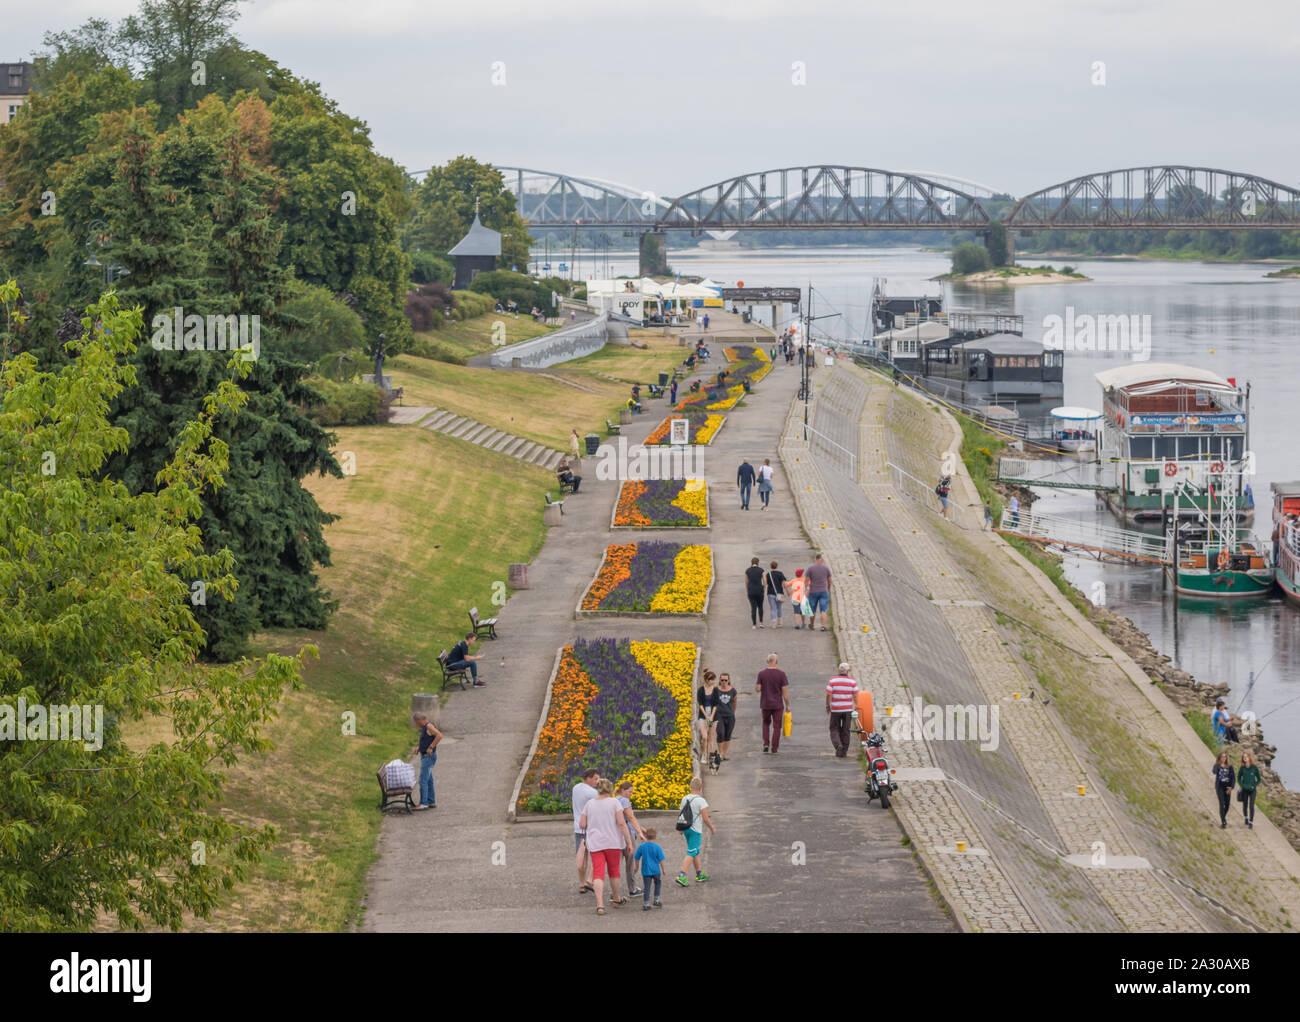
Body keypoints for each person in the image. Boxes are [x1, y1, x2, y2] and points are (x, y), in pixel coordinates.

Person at [579, 779, 632, 914]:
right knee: (614, 872)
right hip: (613, 842)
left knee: (598, 874)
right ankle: (616, 898)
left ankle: (600, 905)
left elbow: (582, 824)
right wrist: (629, 842)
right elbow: (621, 823)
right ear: (611, 789)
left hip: (596, 843)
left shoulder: (590, 804)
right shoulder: (615, 802)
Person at [674, 776, 715, 886]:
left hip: (686, 828)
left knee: (695, 851)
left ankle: (699, 873)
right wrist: (712, 828)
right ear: (701, 788)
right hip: (695, 830)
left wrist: (680, 829)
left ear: (690, 787)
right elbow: (705, 818)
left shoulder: (685, 798)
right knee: (691, 852)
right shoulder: (701, 801)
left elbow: (681, 813)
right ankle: (682, 875)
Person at [755, 653, 790, 754]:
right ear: (777, 662)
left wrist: (762, 686)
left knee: (765, 723)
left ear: (767, 661)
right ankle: (774, 748)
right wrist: (787, 705)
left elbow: (757, 689)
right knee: (777, 726)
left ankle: (766, 744)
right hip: (777, 705)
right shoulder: (781, 674)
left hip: (765, 704)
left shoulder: (761, 674)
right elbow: (785, 692)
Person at [615, 780, 647, 894]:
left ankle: (615, 891)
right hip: (627, 834)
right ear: (622, 790)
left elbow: (627, 819)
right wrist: (640, 833)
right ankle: (632, 888)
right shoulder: (624, 800)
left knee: (616, 864)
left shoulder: (614, 800)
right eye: (629, 792)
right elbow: (630, 817)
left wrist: (640, 827)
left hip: (617, 835)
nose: (630, 795)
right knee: (630, 862)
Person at [573, 768, 600, 893]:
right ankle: (590, 880)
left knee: (581, 858)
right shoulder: (593, 793)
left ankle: (581, 883)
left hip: (578, 827)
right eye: (595, 779)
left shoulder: (576, 788)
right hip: (591, 828)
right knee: (596, 854)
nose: (597, 781)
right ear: (588, 778)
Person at [825, 664, 860, 758]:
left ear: (839, 671)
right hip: (848, 709)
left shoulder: (833, 680)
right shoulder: (852, 681)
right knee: (846, 730)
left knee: (834, 728)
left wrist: (828, 705)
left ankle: (838, 745)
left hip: (836, 709)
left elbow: (828, 694)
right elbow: (856, 695)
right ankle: (844, 752)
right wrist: (856, 705)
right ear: (847, 671)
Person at [413, 712, 442, 809]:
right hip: (426, 756)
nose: (417, 724)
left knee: (423, 780)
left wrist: (431, 747)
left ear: (420, 719)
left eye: (416, 722)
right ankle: (431, 801)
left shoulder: (428, 726)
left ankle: (423, 803)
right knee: (429, 779)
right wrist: (419, 747)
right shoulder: (426, 726)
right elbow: (427, 739)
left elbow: (439, 735)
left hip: (428, 757)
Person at [634, 827, 666, 909]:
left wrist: (636, 867)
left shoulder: (642, 846)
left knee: (647, 887)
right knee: (657, 884)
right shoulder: (657, 847)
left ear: (646, 836)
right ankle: (656, 900)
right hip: (656, 870)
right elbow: (661, 860)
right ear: (655, 837)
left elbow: (636, 857)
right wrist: (663, 869)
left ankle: (646, 903)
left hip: (646, 871)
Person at [697, 669, 720, 765]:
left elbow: (716, 704)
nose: (713, 682)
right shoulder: (701, 690)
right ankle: (703, 754)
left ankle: (710, 757)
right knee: (704, 737)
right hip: (703, 716)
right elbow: (700, 704)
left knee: (711, 737)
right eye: (711, 680)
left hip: (713, 717)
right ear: (706, 680)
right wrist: (706, 716)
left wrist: (711, 716)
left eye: (714, 679)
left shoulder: (715, 690)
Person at [714, 673, 739, 761]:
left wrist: (732, 712)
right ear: (719, 681)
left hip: (730, 716)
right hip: (718, 716)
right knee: (720, 733)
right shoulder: (716, 690)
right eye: (722, 680)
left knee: (728, 735)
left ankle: (724, 754)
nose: (724, 682)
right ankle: (720, 753)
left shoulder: (733, 691)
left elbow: (735, 703)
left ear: (728, 681)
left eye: (725, 680)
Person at [805, 553, 832, 632]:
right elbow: (830, 580)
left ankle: (812, 625)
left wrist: (807, 589)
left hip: (813, 591)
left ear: (816, 559)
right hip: (824, 591)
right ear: (821, 559)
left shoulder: (810, 568)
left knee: (812, 609)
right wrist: (828, 588)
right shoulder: (826, 568)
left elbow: (806, 580)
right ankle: (823, 626)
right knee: (823, 609)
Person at [1212, 750, 1235, 829]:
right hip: (1220, 787)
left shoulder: (1230, 766)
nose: (1223, 758)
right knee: (1221, 803)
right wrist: (1217, 766)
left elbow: (1233, 778)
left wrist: (1231, 787)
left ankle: (1223, 817)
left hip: (1227, 787)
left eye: (1225, 757)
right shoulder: (1217, 765)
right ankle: (1223, 822)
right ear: (1219, 758)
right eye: (1222, 757)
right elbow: (1214, 772)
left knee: (1227, 805)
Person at [1238, 751, 1261, 828]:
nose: (1245, 758)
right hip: (1244, 790)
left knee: (1251, 806)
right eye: (1244, 757)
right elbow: (1238, 778)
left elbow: (1259, 779)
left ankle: (1251, 822)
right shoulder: (1242, 768)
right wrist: (1242, 785)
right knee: (1245, 805)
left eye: (1246, 757)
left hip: (1252, 790)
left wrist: (1254, 786)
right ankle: (1246, 817)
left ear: (1249, 758)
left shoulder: (1254, 768)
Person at [745, 556, 766, 628]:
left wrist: (747, 589)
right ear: (758, 563)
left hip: (751, 590)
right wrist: (764, 588)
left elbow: (746, 581)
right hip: (759, 590)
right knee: (760, 607)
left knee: (753, 608)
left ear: (751, 563)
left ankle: (754, 624)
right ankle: (761, 623)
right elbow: (764, 580)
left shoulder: (747, 570)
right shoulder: (761, 570)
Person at [765, 560, 787, 628]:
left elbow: (766, 583)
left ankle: (774, 623)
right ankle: (779, 622)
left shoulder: (768, 574)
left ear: (771, 566)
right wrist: (787, 591)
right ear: (777, 566)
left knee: (773, 608)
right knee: (779, 608)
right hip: (779, 593)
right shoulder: (780, 573)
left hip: (770, 593)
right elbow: (784, 583)